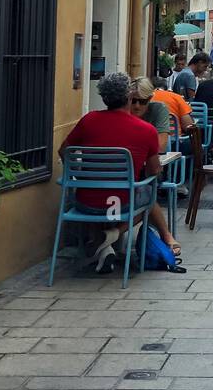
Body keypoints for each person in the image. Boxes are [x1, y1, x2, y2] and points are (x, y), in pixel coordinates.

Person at [59, 72, 180, 269]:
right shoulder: (145, 130)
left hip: (85, 202)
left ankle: (104, 247)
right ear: (129, 97)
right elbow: (153, 171)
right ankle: (112, 235)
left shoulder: (88, 121)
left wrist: (78, 177)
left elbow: (64, 151)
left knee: (103, 199)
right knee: (148, 197)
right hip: (121, 204)